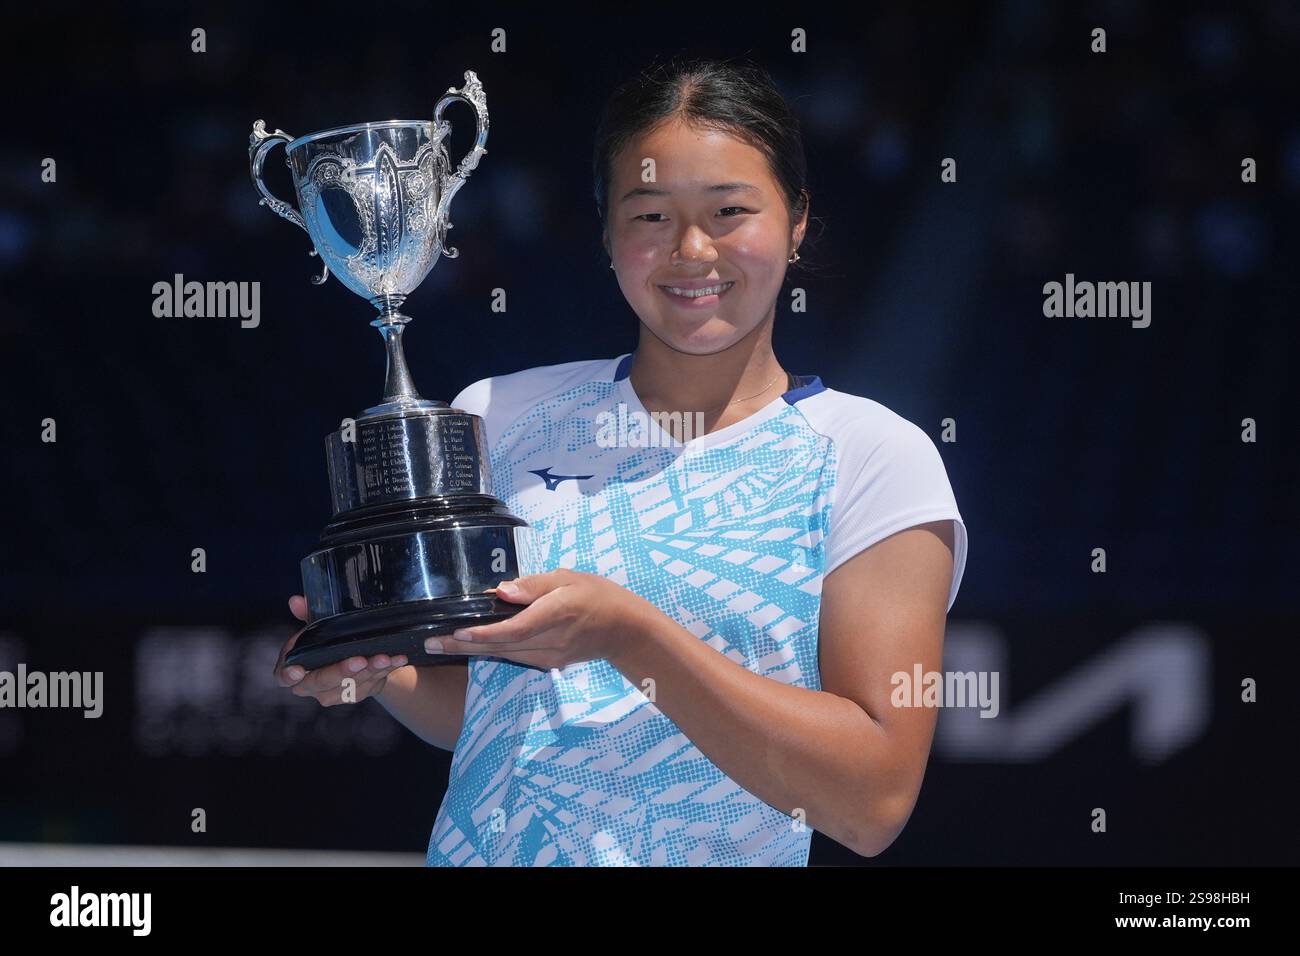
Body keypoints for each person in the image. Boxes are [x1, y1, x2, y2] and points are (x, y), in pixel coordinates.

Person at [274, 55, 968, 866]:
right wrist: (374, 670)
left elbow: (871, 802)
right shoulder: (495, 417)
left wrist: (631, 636)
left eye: (730, 209)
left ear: (799, 219)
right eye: (650, 216)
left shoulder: (871, 457)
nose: (692, 250)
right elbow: (507, 715)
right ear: (606, 230)